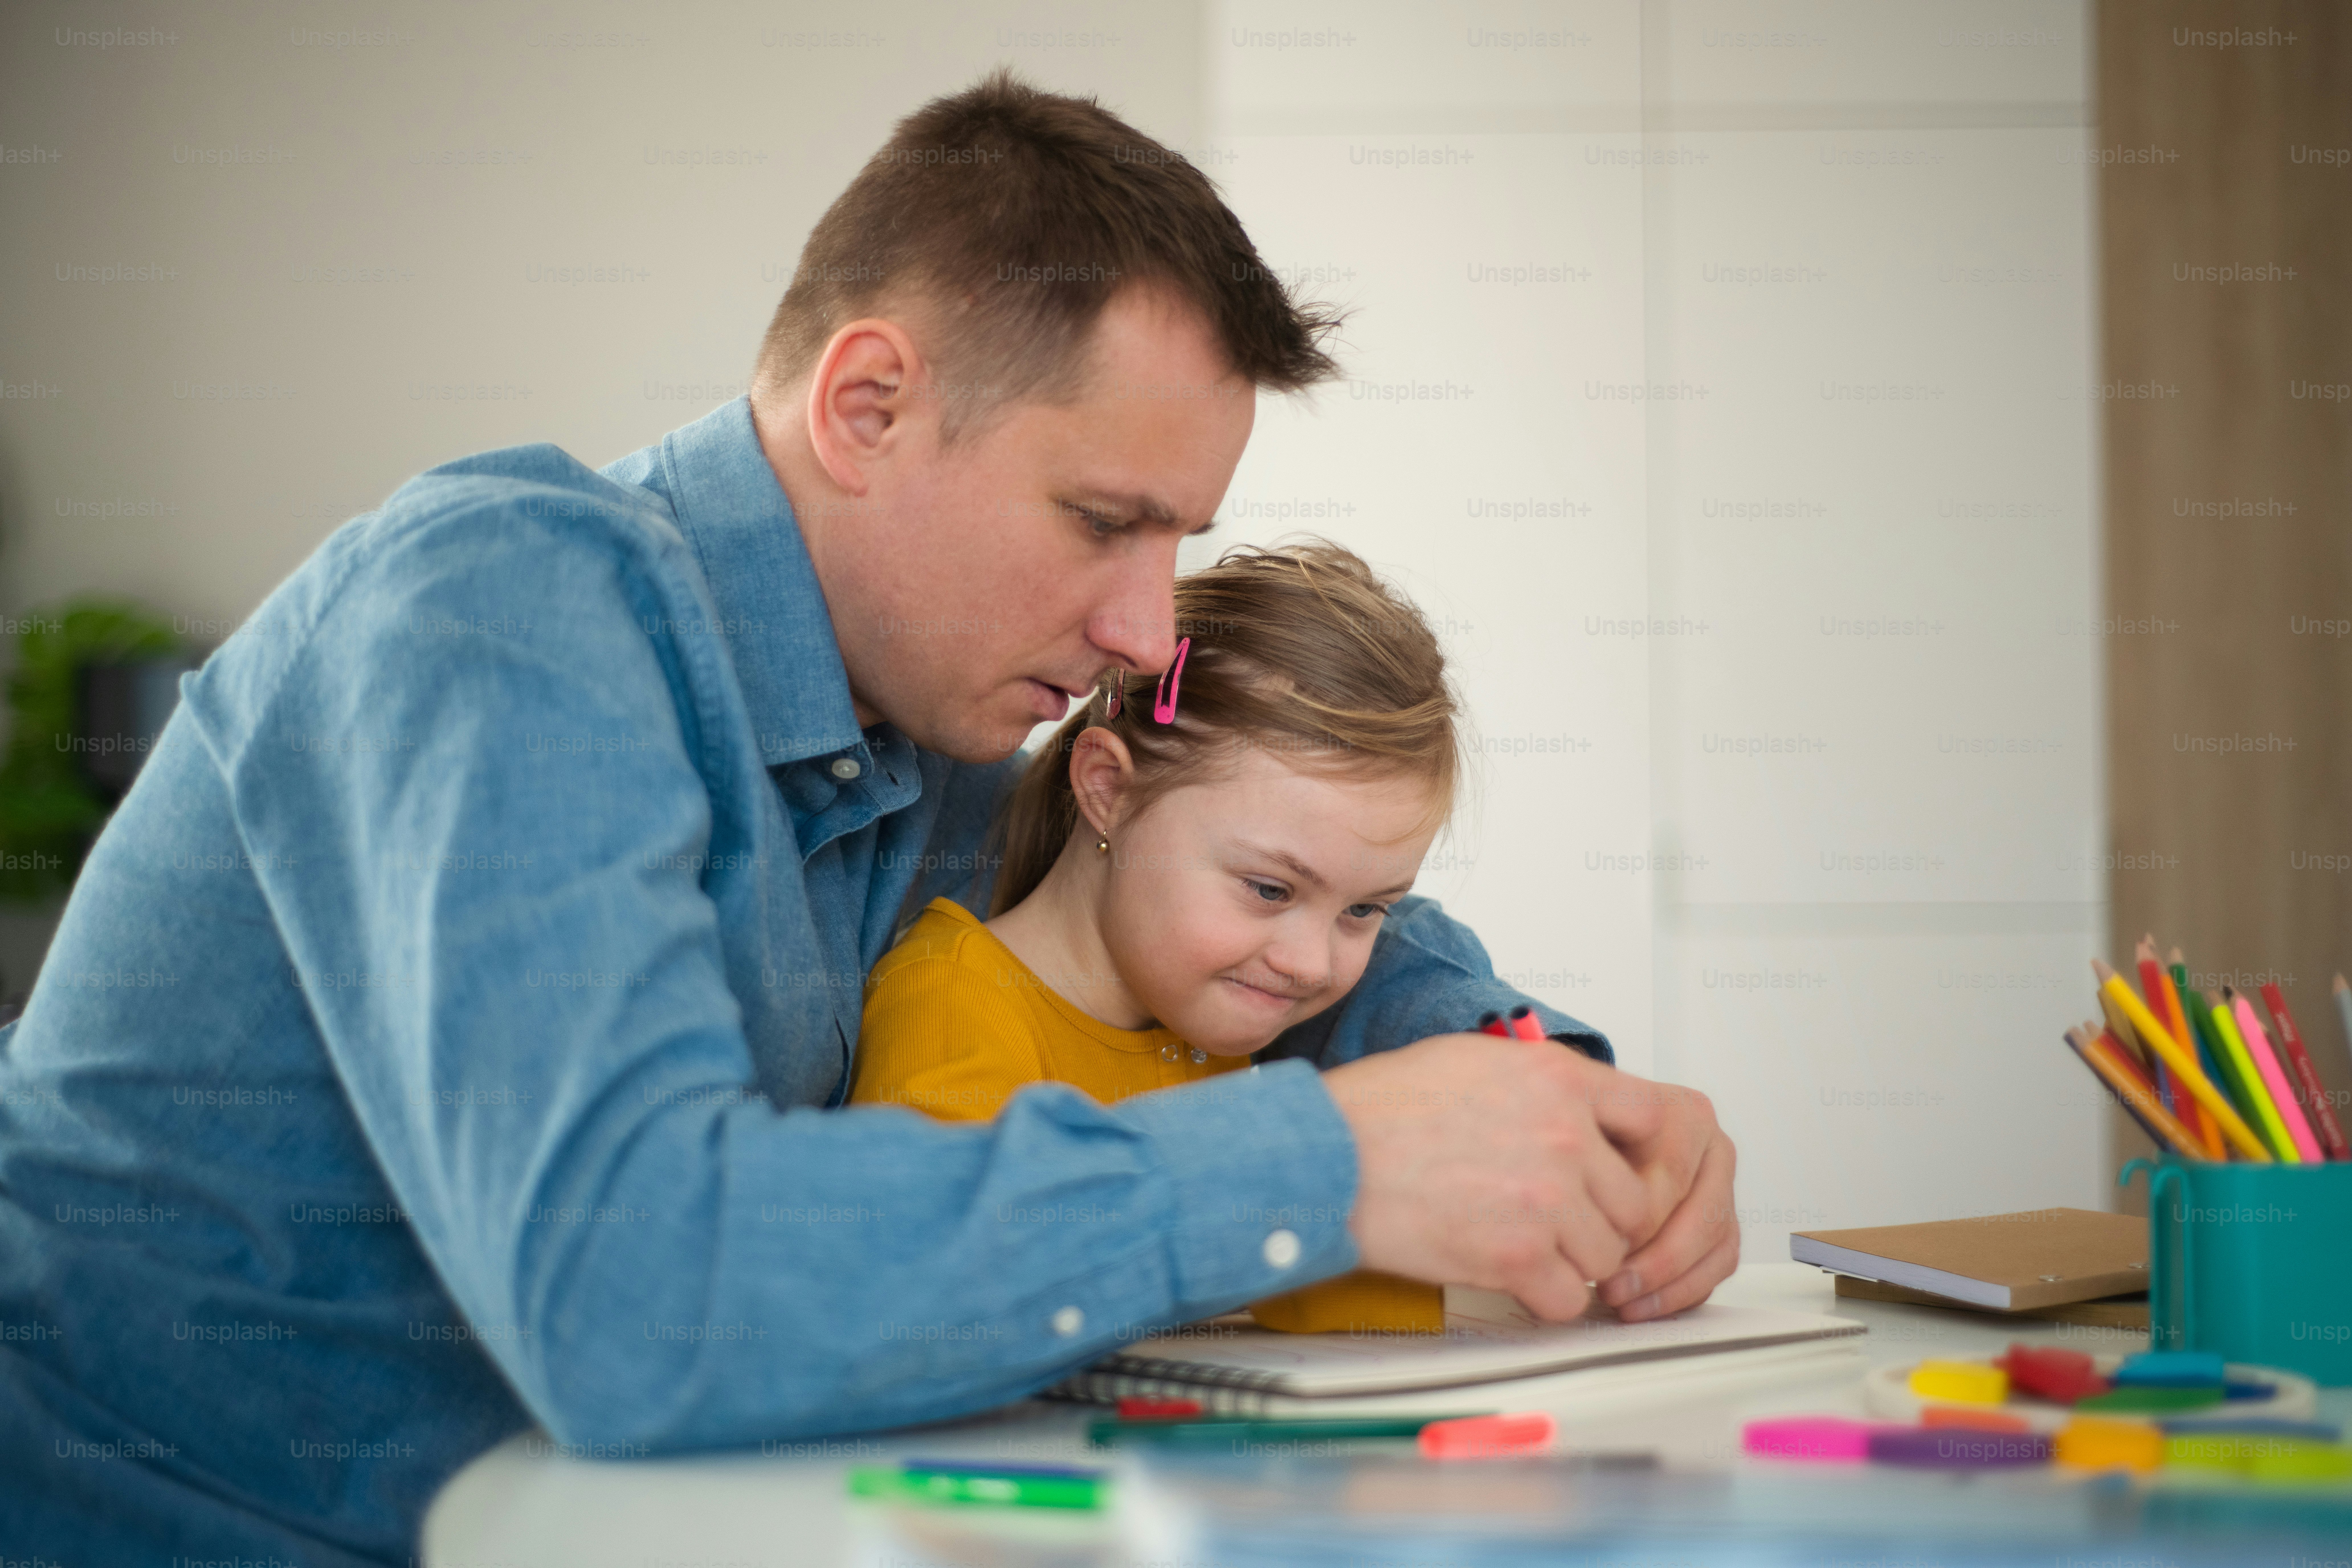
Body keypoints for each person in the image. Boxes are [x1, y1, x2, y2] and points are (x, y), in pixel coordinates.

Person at [0, 72, 1736, 1564]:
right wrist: (1339, 1162)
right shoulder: (498, 614)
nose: (1150, 630)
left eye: (1177, 542)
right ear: (868, 406)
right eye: (1102, 521)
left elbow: (1246, 882)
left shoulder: (938, 721)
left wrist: (1537, 1082)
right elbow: (636, 1295)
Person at [854, 537, 1577, 1335]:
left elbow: (1352, 1326)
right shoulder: (951, 996)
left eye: (1365, 911)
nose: (1310, 963)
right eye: (1269, 889)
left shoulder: (1199, 1021)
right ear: (1108, 790)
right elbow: (944, 1297)